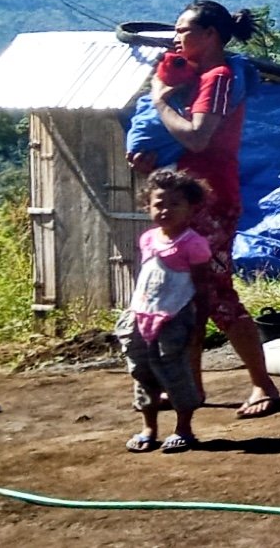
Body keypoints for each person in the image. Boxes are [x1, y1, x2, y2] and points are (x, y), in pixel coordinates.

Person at [127, 0, 280, 419]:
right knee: (186, 298)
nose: (175, 38)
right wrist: (152, 158)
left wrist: (159, 102)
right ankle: (189, 387)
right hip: (188, 195)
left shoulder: (218, 76)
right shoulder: (195, 77)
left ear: (209, 34)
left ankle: (263, 385)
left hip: (210, 200)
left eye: (183, 30)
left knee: (216, 294)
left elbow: (198, 138)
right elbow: (183, 144)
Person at [117, 169, 211, 453]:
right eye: (159, 203)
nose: (165, 210)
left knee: (175, 372)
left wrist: (199, 326)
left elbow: (203, 287)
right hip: (140, 315)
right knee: (142, 372)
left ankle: (184, 428)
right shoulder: (148, 239)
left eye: (174, 204)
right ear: (148, 205)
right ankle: (149, 427)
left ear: (191, 208)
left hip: (174, 318)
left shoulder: (194, 244)